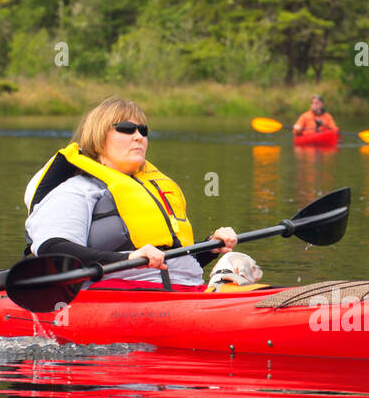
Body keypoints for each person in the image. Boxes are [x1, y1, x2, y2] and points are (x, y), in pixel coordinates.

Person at [23, 97, 236, 291]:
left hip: (185, 289)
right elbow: (52, 249)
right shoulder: (76, 190)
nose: (138, 137)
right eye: (127, 129)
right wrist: (129, 257)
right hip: (121, 296)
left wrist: (211, 246)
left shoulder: (154, 189)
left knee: (239, 262)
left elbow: (167, 260)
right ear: (98, 136)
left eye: (143, 131)